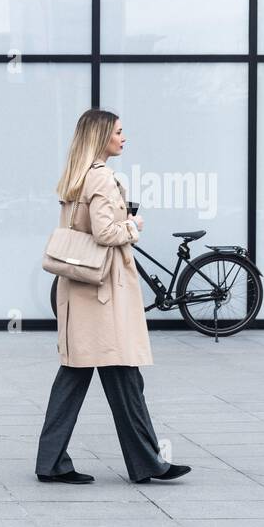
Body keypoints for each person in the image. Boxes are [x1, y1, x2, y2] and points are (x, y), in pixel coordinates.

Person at [35, 108, 191, 485]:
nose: (124, 138)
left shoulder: (76, 176)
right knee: (117, 374)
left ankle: (56, 461)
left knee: (83, 375)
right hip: (102, 294)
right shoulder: (103, 179)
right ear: (101, 136)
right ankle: (146, 463)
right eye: (119, 132)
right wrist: (132, 225)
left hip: (79, 289)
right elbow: (106, 234)